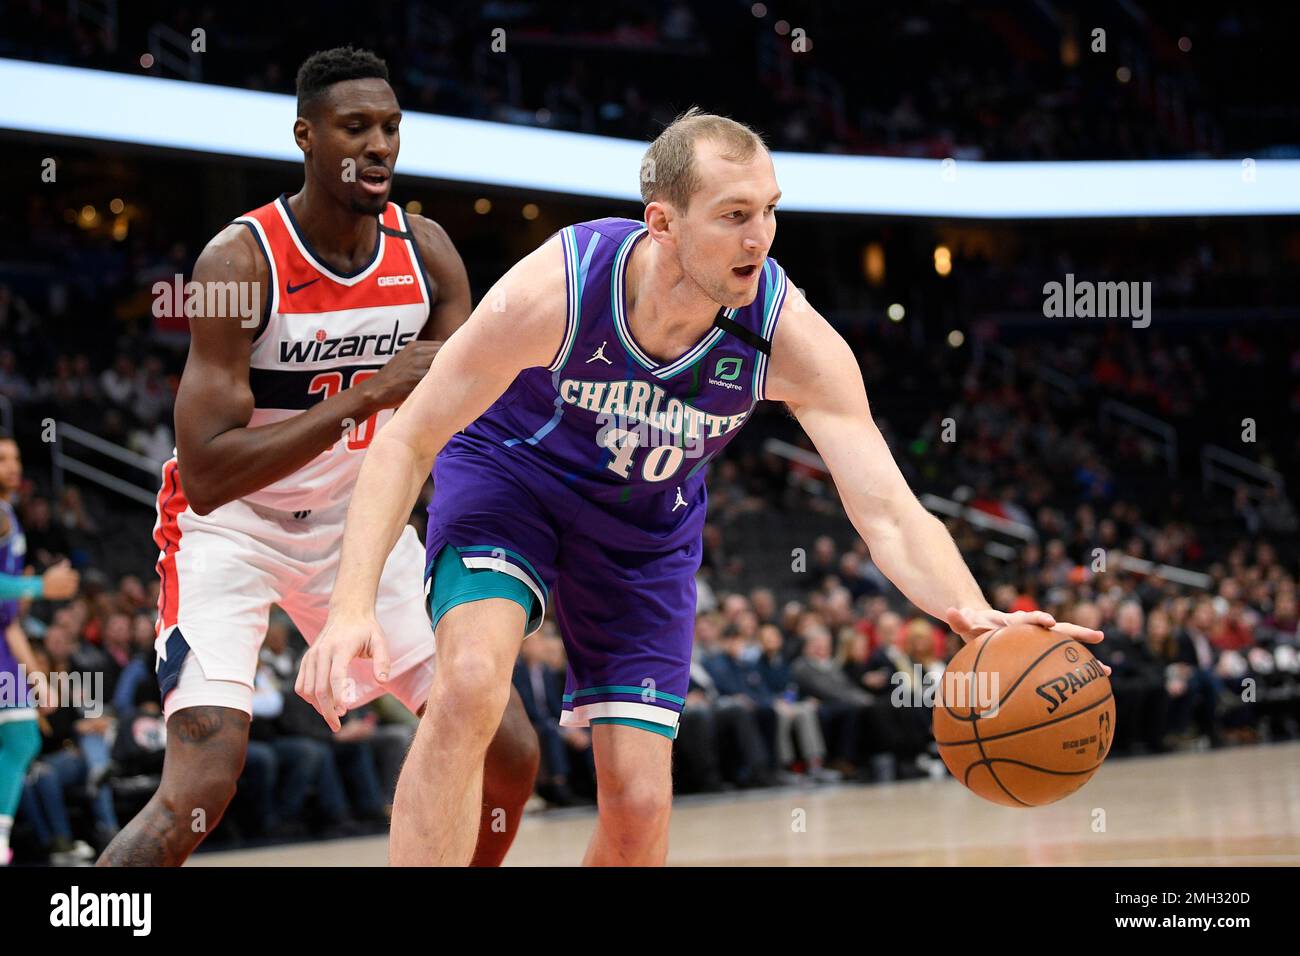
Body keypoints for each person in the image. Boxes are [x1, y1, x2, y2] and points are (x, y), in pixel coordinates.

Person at [302, 107, 1106, 866]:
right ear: (663, 223)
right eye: (733, 215)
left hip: (644, 529)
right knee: (473, 685)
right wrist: (350, 608)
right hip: (515, 479)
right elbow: (408, 439)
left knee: (642, 805)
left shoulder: (787, 337)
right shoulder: (561, 288)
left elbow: (889, 511)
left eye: (770, 210)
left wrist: (970, 614)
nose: (760, 236)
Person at [99, 47, 538, 867]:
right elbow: (207, 474)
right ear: (306, 136)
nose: (379, 145)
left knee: (509, 747)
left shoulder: (429, 253)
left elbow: (466, 413)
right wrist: (364, 396)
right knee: (201, 785)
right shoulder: (238, 263)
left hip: (356, 525)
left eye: (391, 129)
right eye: (355, 127)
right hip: (230, 529)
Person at [0, 434, 79, 865]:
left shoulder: (9, 514)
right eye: (1, 459)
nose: (12, 466)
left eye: (15, 457)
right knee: (18, 739)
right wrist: (39, 586)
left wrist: (37, 680)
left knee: (23, 736)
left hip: (2, 644)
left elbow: (9, 621)